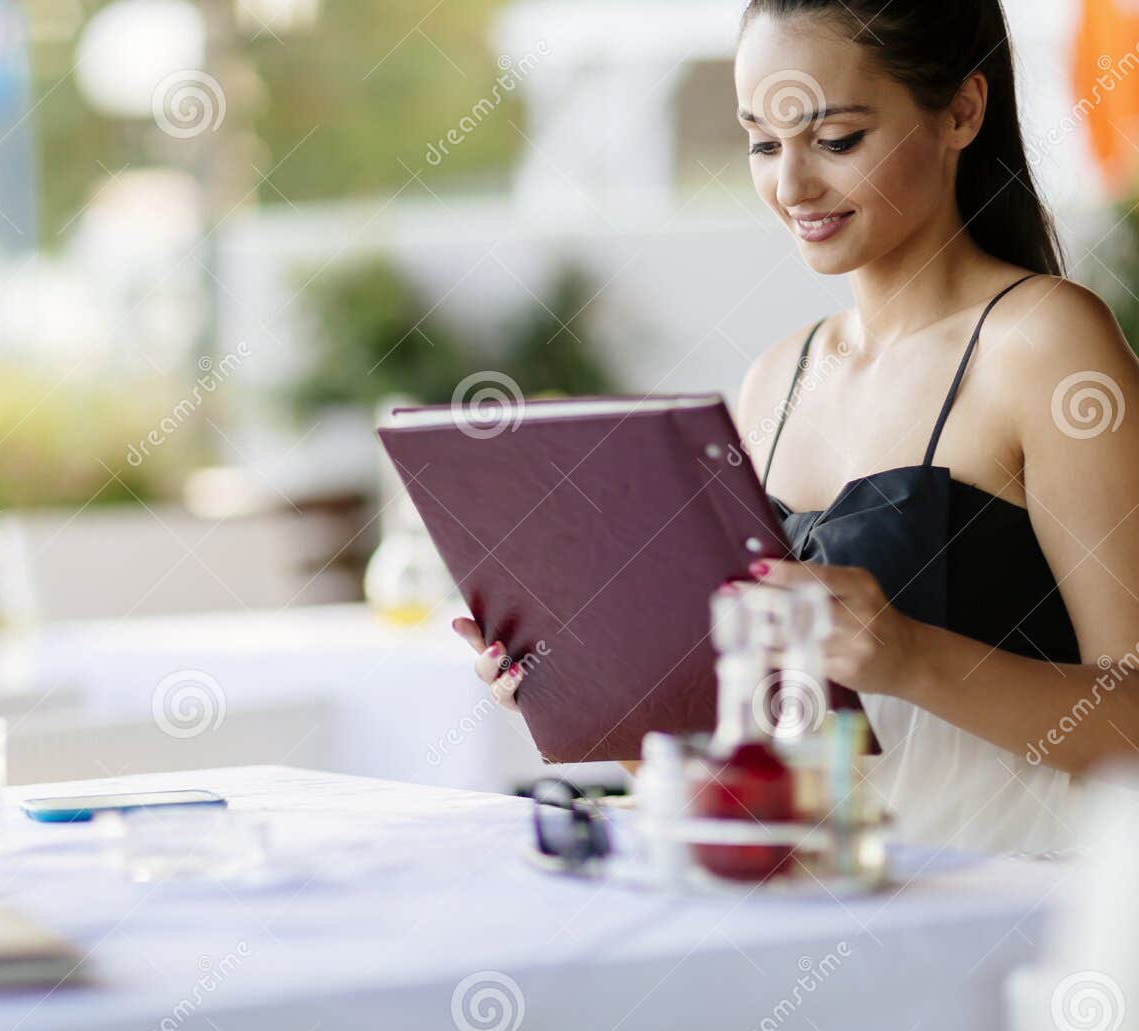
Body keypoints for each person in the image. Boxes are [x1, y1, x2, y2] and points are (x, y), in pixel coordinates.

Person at [456, 0, 1139, 854]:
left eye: (836, 139)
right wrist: (587, 684)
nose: (791, 187)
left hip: (1011, 907)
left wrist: (911, 657)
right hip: (812, 903)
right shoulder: (775, 380)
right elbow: (752, 760)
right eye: (763, 143)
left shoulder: (1044, 344)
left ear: (963, 110)